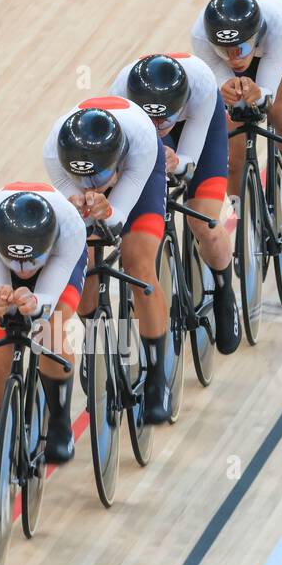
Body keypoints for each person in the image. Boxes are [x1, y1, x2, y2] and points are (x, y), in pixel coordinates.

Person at [43, 97, 174, 424]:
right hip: (81, 174)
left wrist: (106, 209)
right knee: (81, 257)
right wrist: (77, 206)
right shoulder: (54, 153)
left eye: (99, 178)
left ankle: (158, 377)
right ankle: (93, 336)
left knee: (138, 264)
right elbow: (72, 222)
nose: (92, 186)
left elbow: (116, 220)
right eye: (85, 179)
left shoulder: (140, 146)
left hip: (140, 179)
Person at [111, 53, 241, 354]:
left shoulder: (202, 87)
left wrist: (179, 161)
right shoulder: (120, 96)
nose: (159, 123)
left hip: (200, 131)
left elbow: (189, 162)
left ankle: (224, 291)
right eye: (152, 117)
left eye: (164, 118)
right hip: (142, 139)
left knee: (202, 221)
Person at [0, 184, 87, 495]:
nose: (23, 271)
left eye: (29, 263)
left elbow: (46, 301)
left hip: (58, 265)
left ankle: (60, 421)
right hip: (1, 262)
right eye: (17, 263)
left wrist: (37, 303)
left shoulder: (70, 230)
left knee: (51, 329)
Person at [193, 0, 282, 230]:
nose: (234, 58)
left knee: (279, 110)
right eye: (225, 51)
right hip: (247, 47)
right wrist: (228, 86)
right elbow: (220, 73)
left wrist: (260, 95)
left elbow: (266, 91)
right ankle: (245, 223)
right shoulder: (201, 36)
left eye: (239, 49)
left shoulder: (277, 23)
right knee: (234, 152)